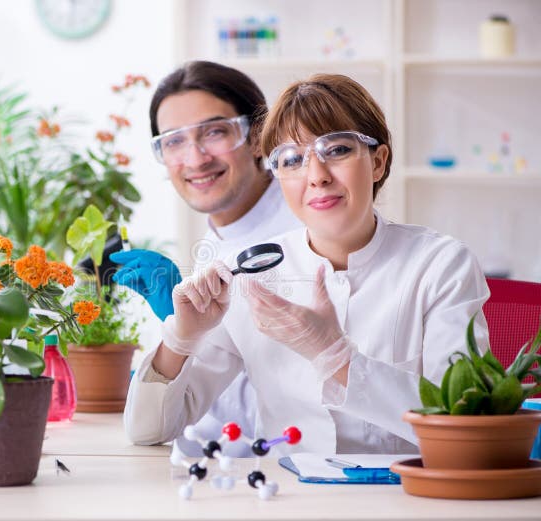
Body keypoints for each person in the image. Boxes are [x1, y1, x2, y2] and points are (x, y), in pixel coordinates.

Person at [123, 73, 490, 455]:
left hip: (404, 488)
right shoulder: (247, 276)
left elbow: (467, 428)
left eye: (338, 150)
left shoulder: (440, 266)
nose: (316, 176)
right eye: (292, 159)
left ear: (378, 162)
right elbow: (147, 430)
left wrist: (335, 356)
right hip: (284, 489)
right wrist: (181, 339)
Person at [110, 61, 302, 455]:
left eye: (214, 132)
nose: (195, 159)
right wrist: (180, 333)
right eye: (174, 141)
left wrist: (186, 340)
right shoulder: (217, 240)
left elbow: (288, 399)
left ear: (257, 137)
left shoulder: (307, 232)